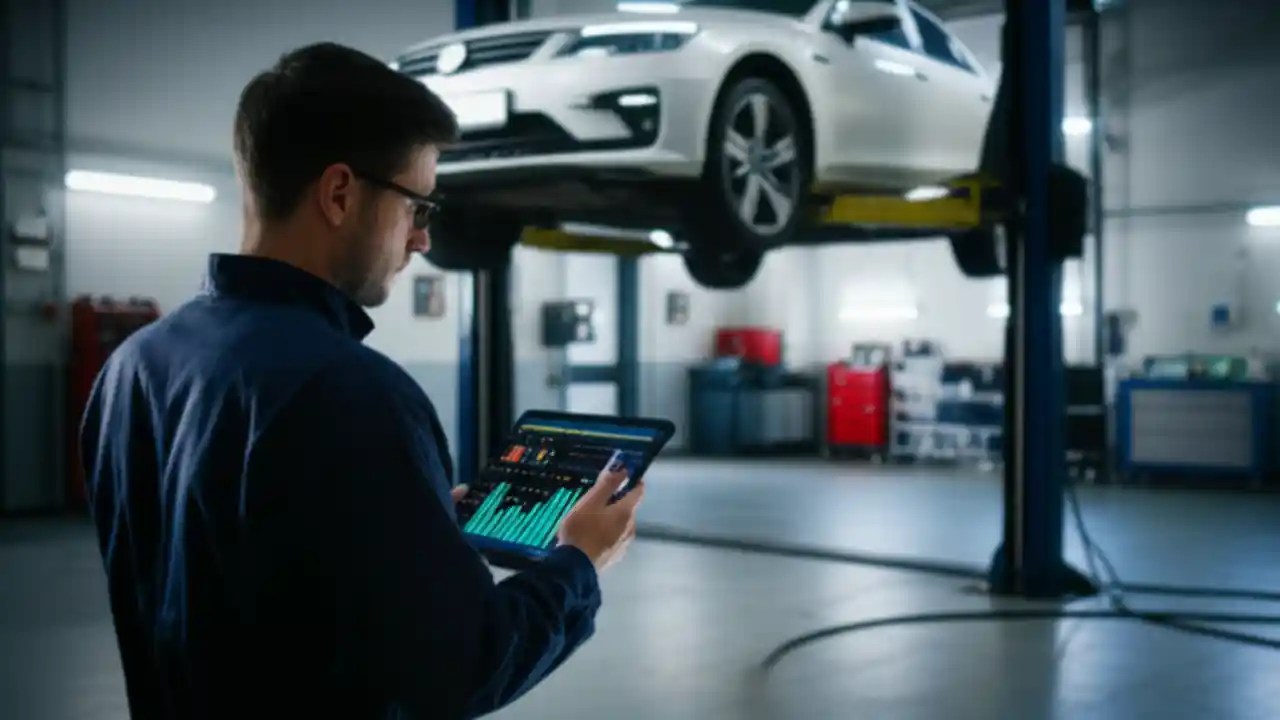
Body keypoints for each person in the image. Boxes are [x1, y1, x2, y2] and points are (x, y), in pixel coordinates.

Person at [79, 42, 644, 720]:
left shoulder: (132, 368)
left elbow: (251, 571)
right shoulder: (350, 391)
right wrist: (578, 562)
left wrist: (414, 524)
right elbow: (460, 667)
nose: (422, 240)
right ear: (341, 193)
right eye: (418, 207)